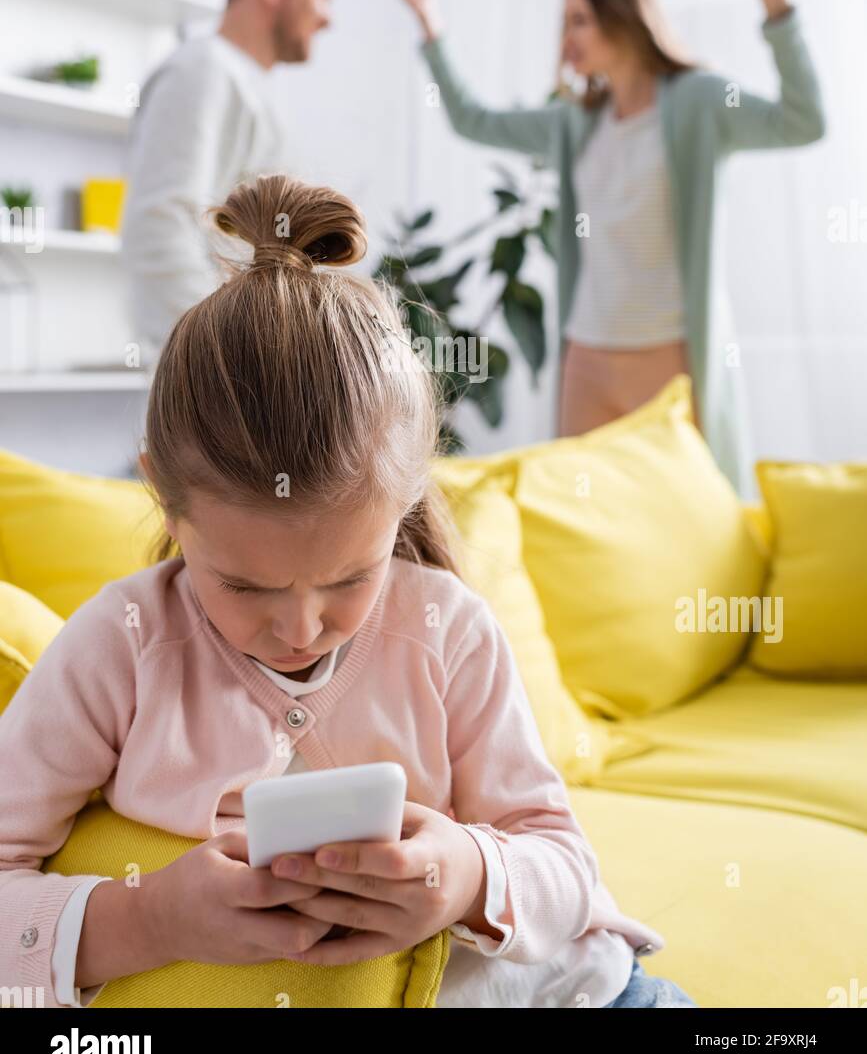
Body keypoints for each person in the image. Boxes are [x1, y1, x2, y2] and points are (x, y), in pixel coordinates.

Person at [0, 174, 697, 1009]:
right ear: (164, 497)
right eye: (244, 584)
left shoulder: (445, 628)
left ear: (406, 497)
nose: (299, 628)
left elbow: (563, 866)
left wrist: (464, 876)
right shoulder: (121, 644)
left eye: (348, 578)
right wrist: (152, 920)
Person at [361, 0, 826, 496]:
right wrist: (429, 23)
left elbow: (803, 121)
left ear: (623, 17)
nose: (566, 38)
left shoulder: (700, 103)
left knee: (682, 514)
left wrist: (777, 7)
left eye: (579, 20)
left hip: (668, 359)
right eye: (564, 23)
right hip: (587, 358)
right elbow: (472, 120)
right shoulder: (575, 122)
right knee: (586, 511)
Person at [120, 0, 340, 362]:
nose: (327, 18)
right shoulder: (202, 71)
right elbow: (160, 222)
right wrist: (220, 360)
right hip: (219, 381)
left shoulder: (240, 83)